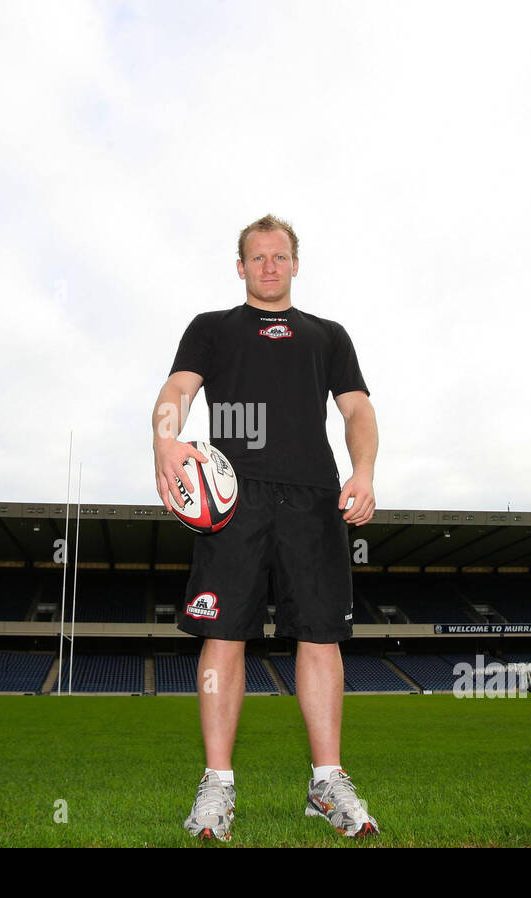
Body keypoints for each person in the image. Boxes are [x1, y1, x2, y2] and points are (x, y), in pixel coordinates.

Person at [150, 213, 380, 841]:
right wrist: (166, 443)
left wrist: (362, 472)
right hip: (233, 500)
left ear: (296, 264)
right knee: (224, 635)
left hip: (313, 497)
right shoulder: (212, 328)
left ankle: (327, 781)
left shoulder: (328, 336)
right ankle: (217, 788)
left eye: (280, 257)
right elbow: (177, 388)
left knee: (321, 636)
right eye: (258, 258)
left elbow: (357, 408)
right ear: (241, 266)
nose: (270, 267)